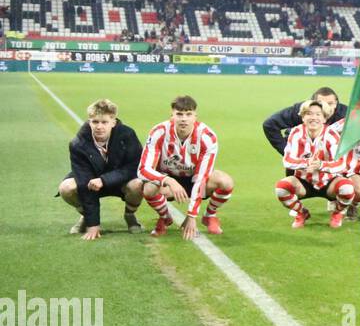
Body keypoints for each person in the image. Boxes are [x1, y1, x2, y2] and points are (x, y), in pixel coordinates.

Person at [138, 94, 234, 240]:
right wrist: (169, 181)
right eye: (179, 114)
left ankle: (209, 215)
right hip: (169, 181)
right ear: (172, 115)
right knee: (148, 188)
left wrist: (191, 216)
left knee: (225, 181)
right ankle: (165, 217)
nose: (183, 119)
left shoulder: (207, 137)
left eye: (188, 114)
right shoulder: (159, 132)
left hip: (196, 178)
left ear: (195, 116)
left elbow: (201, 178)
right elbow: (143, 170)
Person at [57, 97, 144, 239]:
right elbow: (84, 182)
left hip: (120, 180)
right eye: (95, 122)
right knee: (66, 188)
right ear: (89, 122)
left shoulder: (127, 134)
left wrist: (104, 180)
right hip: (91, 182)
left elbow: (133, 167)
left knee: (138, 184)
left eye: (104, 122)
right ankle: (86, 217)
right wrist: (93, 224)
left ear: (113, 122)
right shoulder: (78, 144)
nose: (99, 126)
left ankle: (130, 215)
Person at [275, 101, 355, 228]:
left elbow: (341, 163)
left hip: (328, 182)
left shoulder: (331, 134)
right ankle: (302, 213)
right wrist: (307, 163)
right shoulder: (295, 133)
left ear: (324, 118)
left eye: (318, 114)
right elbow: (287, 160)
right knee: (281, 188)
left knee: (348, 188)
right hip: (303, 181)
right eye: (309, 114)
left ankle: (338, 212)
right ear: (302, 117)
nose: (314, 117)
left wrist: (321, 165)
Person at [262, 87, 348, 154]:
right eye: (321, 103)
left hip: (330, 160)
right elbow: (270, 124)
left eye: (330, 103)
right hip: (300, 160)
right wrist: (286, 151)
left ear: (336, 103)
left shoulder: (347, 115)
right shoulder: (301, 110)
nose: (326, 107)